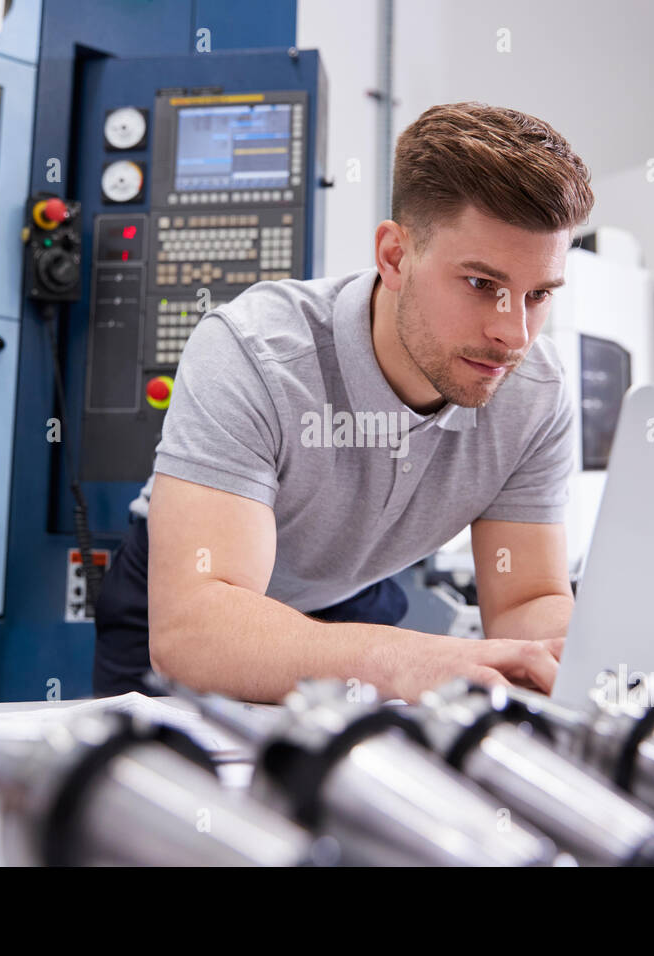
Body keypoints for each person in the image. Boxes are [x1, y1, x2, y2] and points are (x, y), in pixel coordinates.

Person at [93, 101, 594, 703]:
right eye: (482, 285)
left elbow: (526, 601)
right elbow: (199, 630)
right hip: (191, 600)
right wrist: (405, 660)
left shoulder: (535, 393)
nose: (513, 335)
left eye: (537, 293)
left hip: (348, 602)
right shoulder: (254, 351)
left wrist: (574, 669)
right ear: (394, 256)